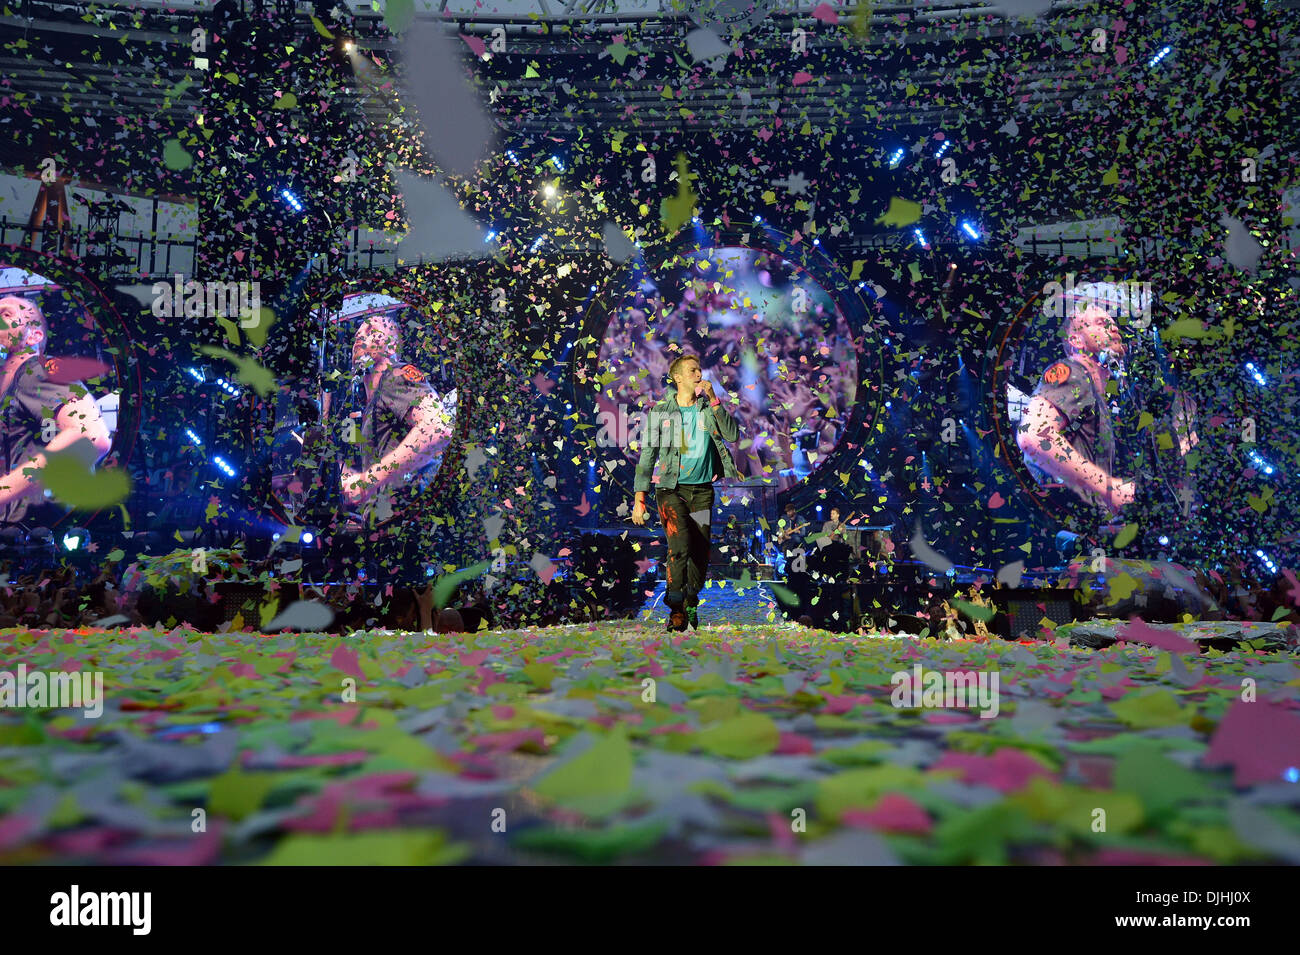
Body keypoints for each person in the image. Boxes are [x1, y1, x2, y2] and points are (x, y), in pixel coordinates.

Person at [630, 353, 743, 631]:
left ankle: (691, 600)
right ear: (677, 377)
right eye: (692, 370)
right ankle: (676, 608)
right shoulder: (660, 411)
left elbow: (732, 435)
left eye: (700, 370)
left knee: (700, 552)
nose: (698, 374)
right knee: (679, 548)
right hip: (671, 490)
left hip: (702, 492)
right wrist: (639, 499)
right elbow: (647, 456)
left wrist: (715, 399)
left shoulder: (708, 408)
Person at [340, 313, 453, 571]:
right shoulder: (372, 400)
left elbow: (438, 427)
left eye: (371, 332)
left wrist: (366, 481)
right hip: (388, 527)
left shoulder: (396, 375)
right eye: (358, 334)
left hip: (405, 529)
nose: (360, 337)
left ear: (391, 346)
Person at [1017, 298, 1136, 516]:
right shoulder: (1071, 372)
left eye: (1113, 323)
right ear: (1076, 340)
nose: (1114, 328)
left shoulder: (1097, 396)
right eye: (1101, 323)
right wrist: (1110, 488)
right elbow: (1033, 437)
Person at [0, 296, 112, 525]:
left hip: (31, 537)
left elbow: (91, 435)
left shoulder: (37, 369)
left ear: (34, 336)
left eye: (6, 314)